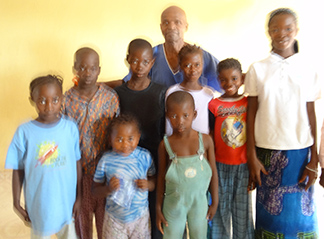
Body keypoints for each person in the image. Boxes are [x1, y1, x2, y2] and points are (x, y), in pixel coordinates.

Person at [245, 8, 320, 238]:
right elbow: (250, 112)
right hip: (267, 155)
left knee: (301, 219)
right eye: (275, 29)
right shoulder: (258, 68)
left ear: (297, 30)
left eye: (288, 28)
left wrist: (315, 157)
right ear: (268, 32)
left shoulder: (308, 68)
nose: (282, 33)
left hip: (300, 154)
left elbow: (312, 112)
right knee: (270, 217)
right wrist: (251, 155)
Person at [5, 75, 82, 238]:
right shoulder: (24, 132)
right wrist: (15, 202)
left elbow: (77, 162)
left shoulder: (70, 128)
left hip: (66, 203)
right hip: (39, 206)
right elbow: (18, 170)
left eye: (55, 100)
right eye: (42, 100)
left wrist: (79, 196)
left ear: (62, 99)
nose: (49, 106)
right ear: (32, 100)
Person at [62, 47, 120, 239]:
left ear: (99, 70)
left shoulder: (110, 98)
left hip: (104, 171)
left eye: (92, 68)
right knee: (82, 221)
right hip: (78, 173)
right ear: (75, 69)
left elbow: (116, 133)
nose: (87, 73)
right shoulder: (65, 101)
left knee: (106, 223)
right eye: (83, 67)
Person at [114, 38, 166, 238]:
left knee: (155, 207)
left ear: (152, 63)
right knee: (130, 210)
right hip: (127, 159)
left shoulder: (161, 92)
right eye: (134, 61)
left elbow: (164, 131)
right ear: (127, 60)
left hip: (154, 159)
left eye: (145, 61)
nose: (140, 66)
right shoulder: (119, 93)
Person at [156, 91, 219, 239]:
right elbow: (160, 178)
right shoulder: (165, 145)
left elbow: (214, 174)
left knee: (199, 236)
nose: (180, 121)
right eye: (174, 116)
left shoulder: (206, 141)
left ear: (194, 114)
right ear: (167, 116)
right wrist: (158, 208)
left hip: (200, 204)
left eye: (185, 115)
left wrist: (214, 202)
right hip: (173, 205)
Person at [121, 6, 221, 92]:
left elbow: (229, 82)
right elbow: (130, 84)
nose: (171, 27)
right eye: (166, 22)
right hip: (158, 113)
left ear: (186, 27)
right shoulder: (150, 55)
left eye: (177, 22)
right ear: (161, 27)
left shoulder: (201, 56)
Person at [208, 58, 254, 239]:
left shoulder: (248, 103)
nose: (229, 84)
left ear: (242, 79)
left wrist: (252, 165)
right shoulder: (213, 105)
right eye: (224, 80)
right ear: (218, 80)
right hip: (220, 166)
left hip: (243, 166)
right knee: (220, 211)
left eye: (234, 79)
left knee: (243, 213)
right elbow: (211, 135)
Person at [92, 114, 156, 239]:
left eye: (130, 138)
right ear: (110, 140)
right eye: (119, 139)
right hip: (114, 220)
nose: (125, 144)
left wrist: (149, 184)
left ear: (138, 137)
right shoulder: (106, 160)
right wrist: (108, 189)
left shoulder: (145, 157)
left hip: (140, 219)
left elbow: (154, 179)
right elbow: (95, 190)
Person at [165, 44, 219, 136]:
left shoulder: (208, 94)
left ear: (202, 65)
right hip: (176, 145)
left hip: (201, 146)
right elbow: (168, 124)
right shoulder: (172, 92)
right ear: (180, 66)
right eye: (187, 65)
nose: (193, 69)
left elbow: (211, 126)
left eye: (197, 65)